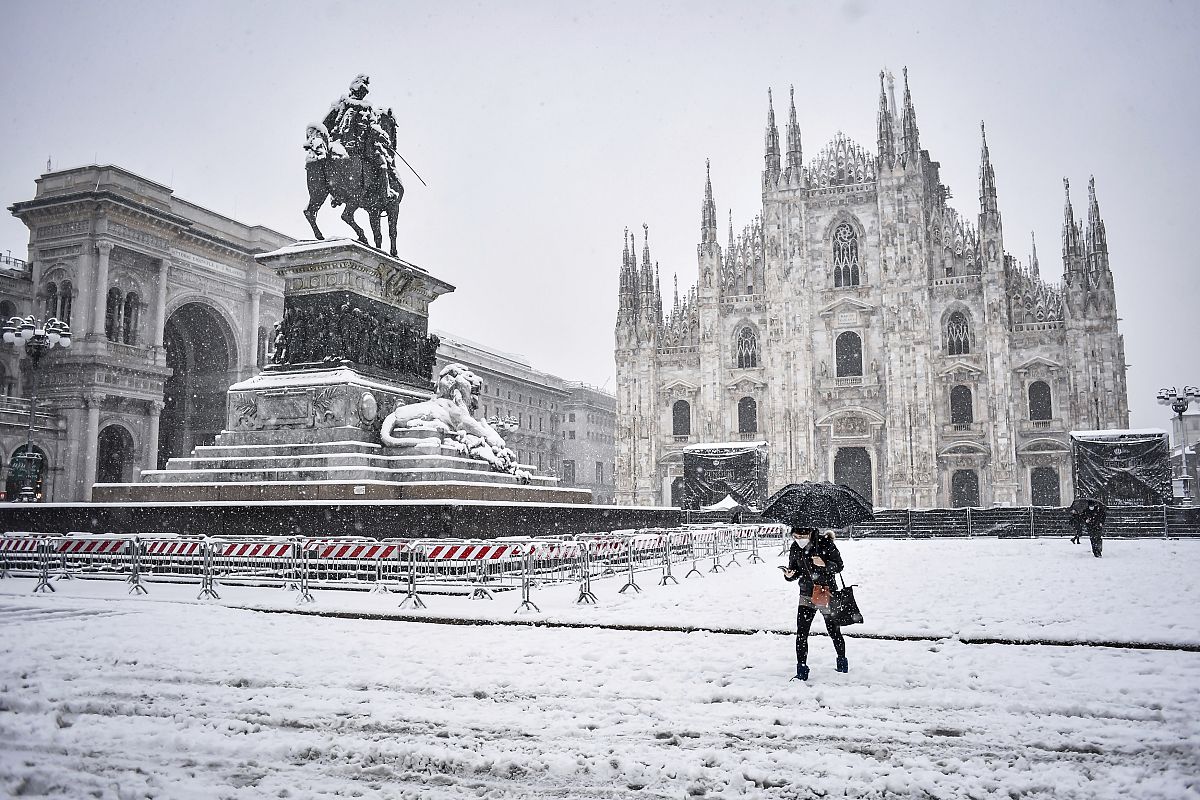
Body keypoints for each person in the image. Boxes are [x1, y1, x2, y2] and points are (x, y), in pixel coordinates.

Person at [782, 526, 847, 680]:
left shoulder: (825, 543)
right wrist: (790, 575)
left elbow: (839, 566)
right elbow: (795, 570)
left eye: (801, 536)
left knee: (833, 630)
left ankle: (842, 662)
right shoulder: (795, 548)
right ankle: (801, 670)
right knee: (801, 633)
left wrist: (824, 564)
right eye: (795, 536)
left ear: (810, 533)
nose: (799, 540)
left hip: (826, 592)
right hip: (806, 593)